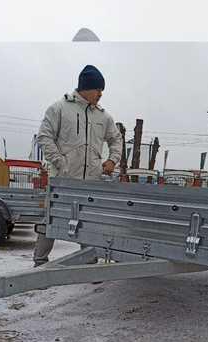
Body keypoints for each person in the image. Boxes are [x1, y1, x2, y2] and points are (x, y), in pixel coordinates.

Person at [34, 64, 123, 266]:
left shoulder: (103, 116)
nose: (101, 94)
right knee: (52, 219)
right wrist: (60, 163)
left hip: (91, 181)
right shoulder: (59, 109)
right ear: (85, 87)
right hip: (63, 181)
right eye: (98, 89)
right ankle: (40, 263)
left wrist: (112, 159)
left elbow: (116, 139)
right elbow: (45, 137)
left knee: (89, 223)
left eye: (102, 90)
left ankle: (89, 264)